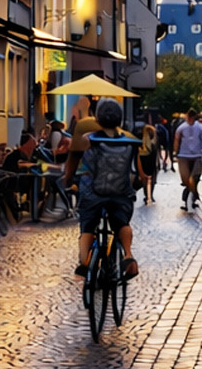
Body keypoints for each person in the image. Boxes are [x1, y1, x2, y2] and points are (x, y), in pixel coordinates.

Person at [63, 98, 142, 281]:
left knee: (87, 226)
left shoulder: (86, 139)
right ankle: (128, 255)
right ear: (119, 120)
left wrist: (68, 181)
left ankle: (84, 265)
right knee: (122, 223)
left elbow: (73, 163)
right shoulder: (131, 141)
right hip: (120, 193)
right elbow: (135, 171)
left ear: (97, 119)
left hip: (93, 193)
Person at [174, 110, 202, 211]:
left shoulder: (197, 127)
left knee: (193, 178)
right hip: (186, 155)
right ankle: (192, 196)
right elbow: (177, 139)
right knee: (188, 180)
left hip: (194, 155)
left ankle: (189, 198)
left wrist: (176, 152)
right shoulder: (183, 127)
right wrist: (176, 151)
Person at [138, 121, 160, 204]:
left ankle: (146, 195)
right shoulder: (154, 141)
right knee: (152, 179)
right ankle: (150, 195)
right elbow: (157, 151)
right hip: (152, 160)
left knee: (145, 179)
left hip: (144, 159)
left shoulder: (141, 140)